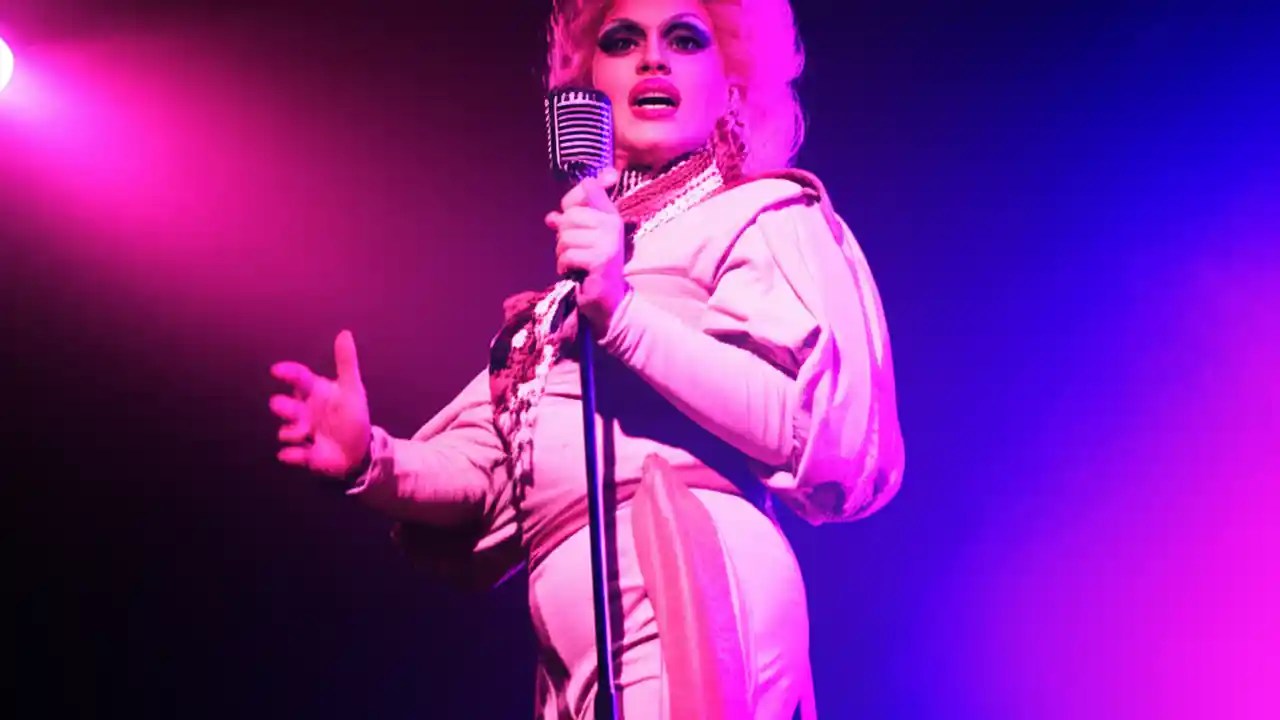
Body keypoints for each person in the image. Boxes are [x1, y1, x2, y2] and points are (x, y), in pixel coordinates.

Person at [268, 0, 904, 717]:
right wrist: (369, 461)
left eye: (685, 39)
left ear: (730, 85)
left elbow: (812, 429)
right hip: (571, 650)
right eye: (622, 39)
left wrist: (623, 315)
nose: (652, 58)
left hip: (695, 584)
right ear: (588, 91)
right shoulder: (561, 301)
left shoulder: (755, 216)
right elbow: (484, 477)